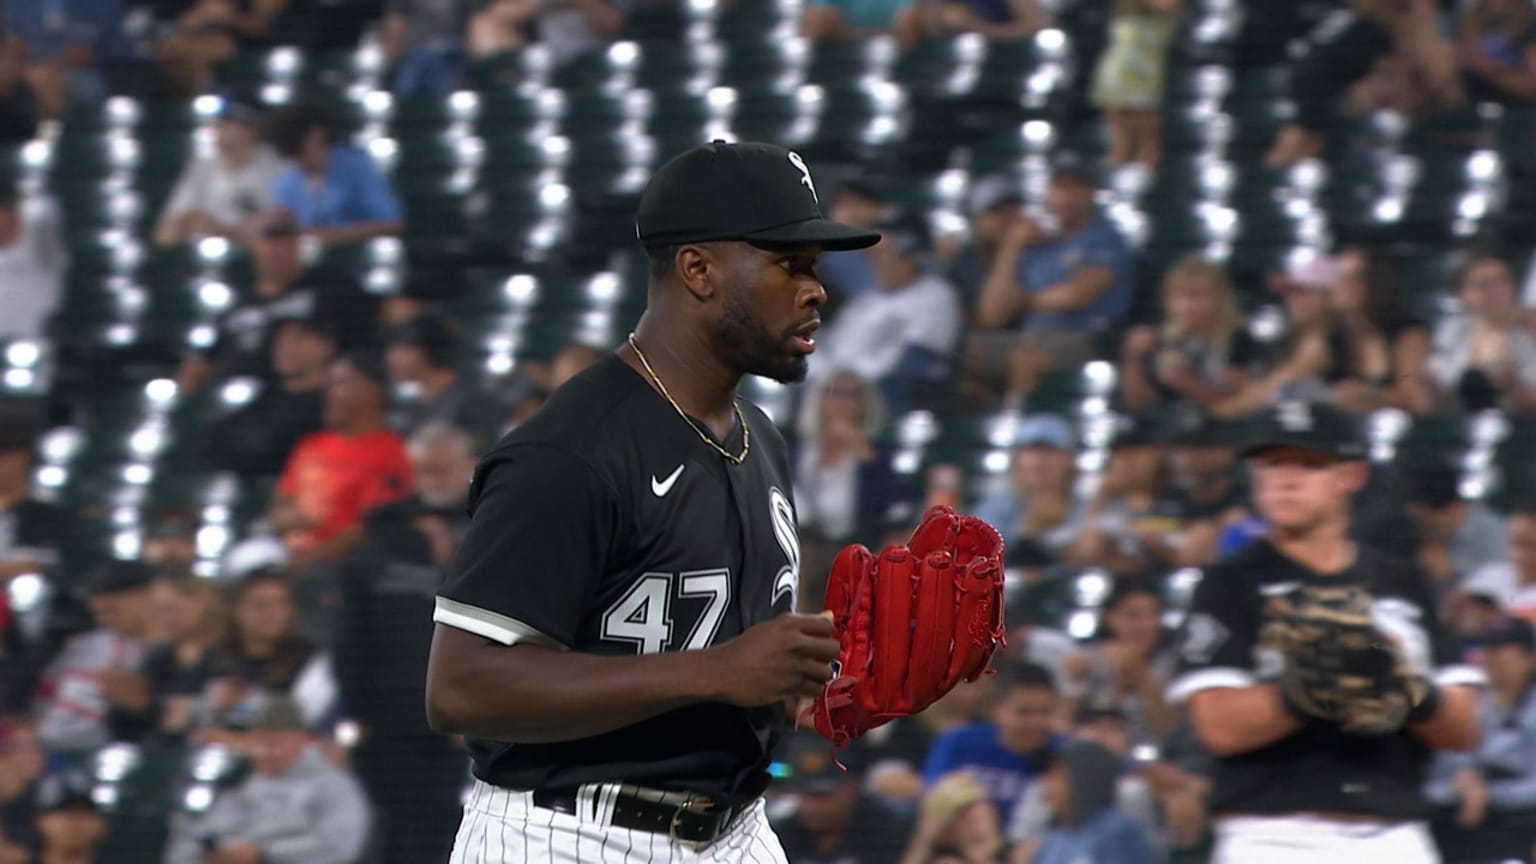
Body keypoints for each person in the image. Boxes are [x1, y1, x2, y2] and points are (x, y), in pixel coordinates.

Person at [424, 140, 881, 862]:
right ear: (698, 270)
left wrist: (816, 678)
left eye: (815, 266)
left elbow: (730, 670)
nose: (815, 289)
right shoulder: (570, 453)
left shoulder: (759, 436)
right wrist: (719, 671)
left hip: (739, 830)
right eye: (788, 263)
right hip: (571, 833)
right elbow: (460, 687)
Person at [1166, 399, 1484, 862]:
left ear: (1350, 476)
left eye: (1308, 464)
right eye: (1272, 464)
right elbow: (1217, 726)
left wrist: (1404, 687)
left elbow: (1464, 729)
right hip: (1273, 835)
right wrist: (1312, 685)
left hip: (1395, 834)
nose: (1285, 479)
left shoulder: (1402, 581)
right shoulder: (1229, 583)